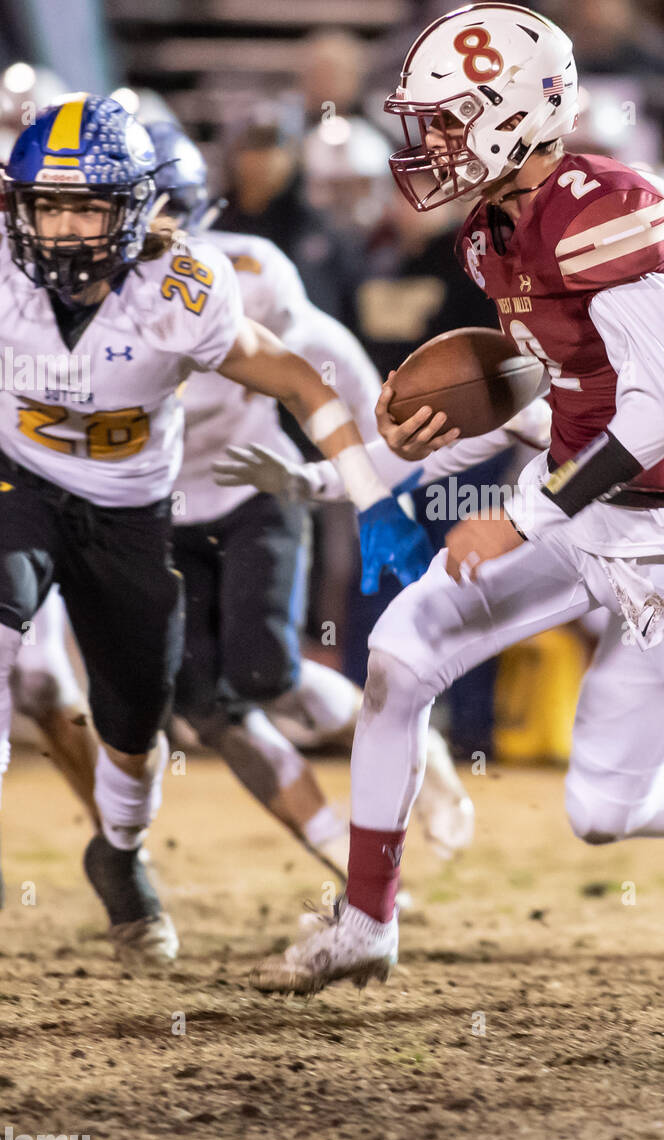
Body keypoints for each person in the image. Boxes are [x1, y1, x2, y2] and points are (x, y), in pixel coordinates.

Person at [246, 3, 664, 994]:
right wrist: (365, 472)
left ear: (513, 113)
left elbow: (655, 416)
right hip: (579, 502)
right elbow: (544, 397)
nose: (428, 143)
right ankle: (368, 920)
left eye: (447, 119)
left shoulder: (608, 212)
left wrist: (518, 515)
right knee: (400, 655)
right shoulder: (493, 232)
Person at [0, 93, 431, 963]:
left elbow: (306, 385)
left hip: (130, 513)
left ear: (133, 211)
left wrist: (367, 492)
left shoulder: (183, 289)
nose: (64, 228)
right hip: (22, 483)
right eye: (47, 204)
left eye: (86, 205)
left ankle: (117, 853)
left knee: (135, 732)